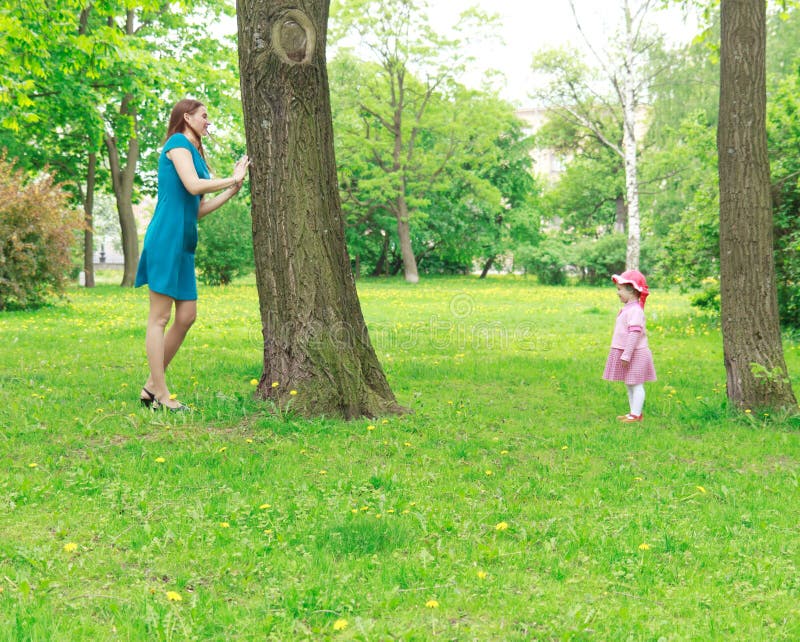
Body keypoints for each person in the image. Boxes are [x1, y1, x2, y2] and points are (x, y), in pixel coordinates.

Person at [135, 98, 250, 411]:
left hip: (184, 243)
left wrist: (231, 190)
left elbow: (198, 209)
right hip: (165, 239)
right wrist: (233, 177)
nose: (207, 121)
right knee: (159, 318)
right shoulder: (177, 144)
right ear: (186, 117)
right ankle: (160, 393)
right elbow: (193, 185)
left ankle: (150, 386)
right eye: (203, 115)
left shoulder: (196, 153)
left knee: (186, 316)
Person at [602, 269, 657, 423]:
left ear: (631, 290)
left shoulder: (636, 311)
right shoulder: (628, 309)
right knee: (629, 383)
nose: (617, 293)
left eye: (619, 290)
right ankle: (633, 412)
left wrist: (626, 354)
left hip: (636, 352)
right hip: (628, 351)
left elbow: (634, 334)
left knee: (636, 383)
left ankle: (636, 415)